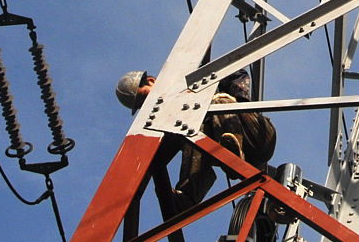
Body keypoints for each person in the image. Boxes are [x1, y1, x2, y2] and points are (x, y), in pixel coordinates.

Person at [115, 68, 277, 210]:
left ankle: (233, 152)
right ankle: (187, 197)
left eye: (145, 98)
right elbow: (160, 156)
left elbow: (236, 72)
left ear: (151, 81)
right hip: (241, 155)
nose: (147, 105)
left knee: (220, 100)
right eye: (143, 105)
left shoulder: (193, 82)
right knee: (191, 132)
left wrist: (239, 101)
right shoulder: (174, 120)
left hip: (258, 135)